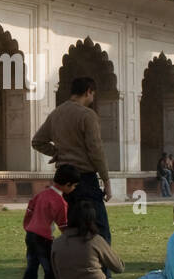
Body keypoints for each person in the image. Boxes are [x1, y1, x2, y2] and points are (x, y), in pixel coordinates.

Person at [31, 75, 113, 252]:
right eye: (93, 94)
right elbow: (96, 151)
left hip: (63, 180)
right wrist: (106, 181)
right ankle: (102, 274)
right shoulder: (87, 115)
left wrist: (57, 152)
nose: (93, 98)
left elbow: (37, 141)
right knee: (98, 227)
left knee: (72, 228)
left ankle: (74, 269)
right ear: (88, 92)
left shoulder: (56, 114)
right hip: (84, 179)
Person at [51, 200, 170, 279]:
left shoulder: (57, 243)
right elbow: (119, 267)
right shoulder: (94, 240)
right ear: (92, 220)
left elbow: (57, 275)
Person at [18, 163, 79, 279]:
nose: (74, 189)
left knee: (31, 267)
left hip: (31, 234)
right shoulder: (60, 202)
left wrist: (28, 227)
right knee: (50, 270)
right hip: (44, 238)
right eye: (74, 186)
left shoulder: (41, 194)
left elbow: (29, 211)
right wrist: (71, 238)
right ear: (67, 184)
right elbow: (63, 225)